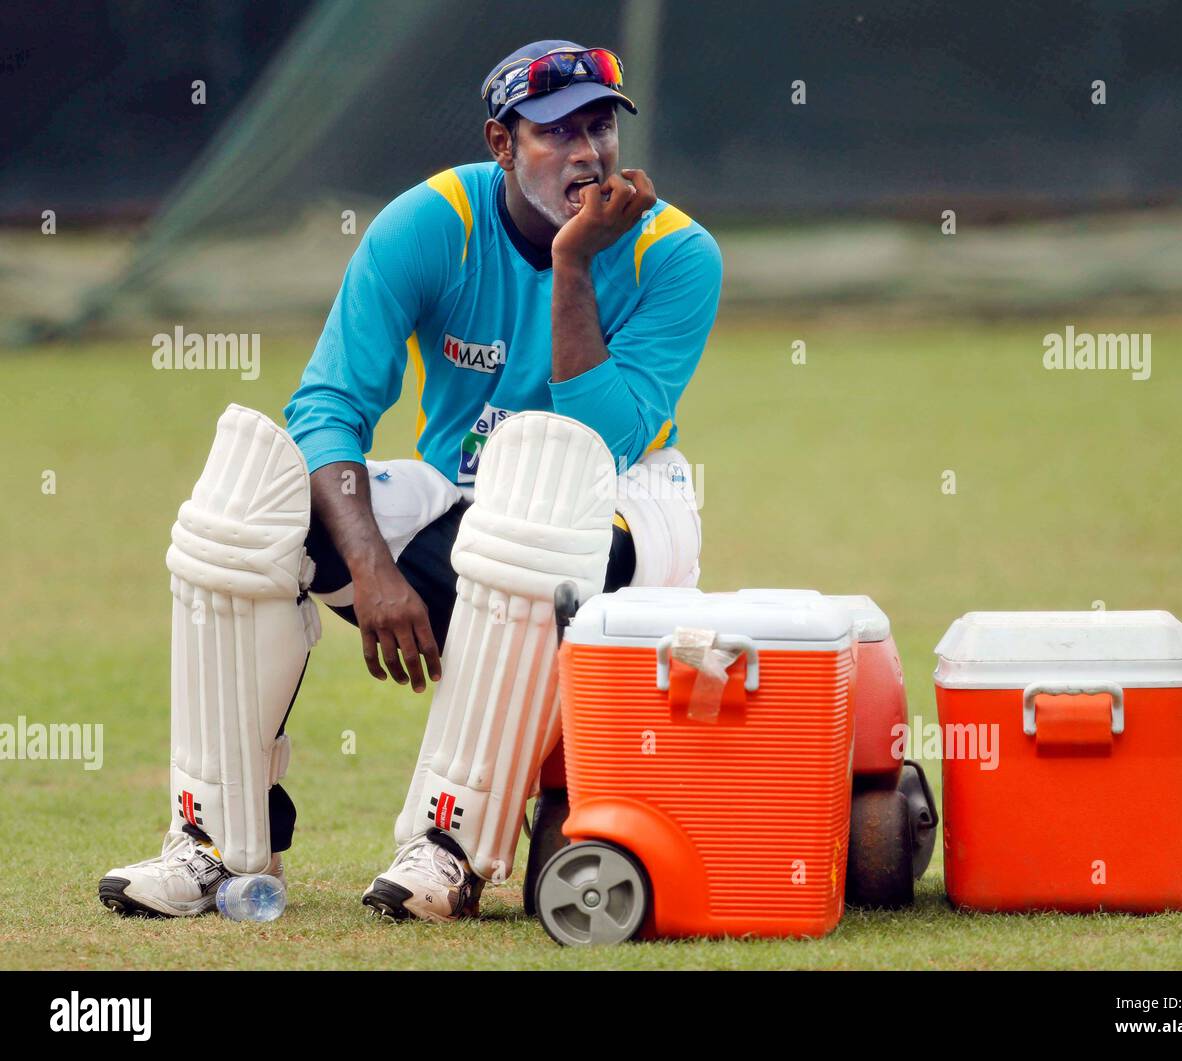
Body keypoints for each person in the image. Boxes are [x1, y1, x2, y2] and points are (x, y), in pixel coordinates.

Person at [98, 40, 723, 923]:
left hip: (623, 519)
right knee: (245, 500)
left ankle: (450, 844)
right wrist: (373, 566)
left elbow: (601, 441)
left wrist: (574, 266)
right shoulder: (432, 222)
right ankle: (216, 840)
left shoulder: (678, 254)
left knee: (532, 511)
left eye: (598, 128)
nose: (586, 153)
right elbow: (326, 405)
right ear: (502, 144)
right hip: (462, 499)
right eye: (555, 133)